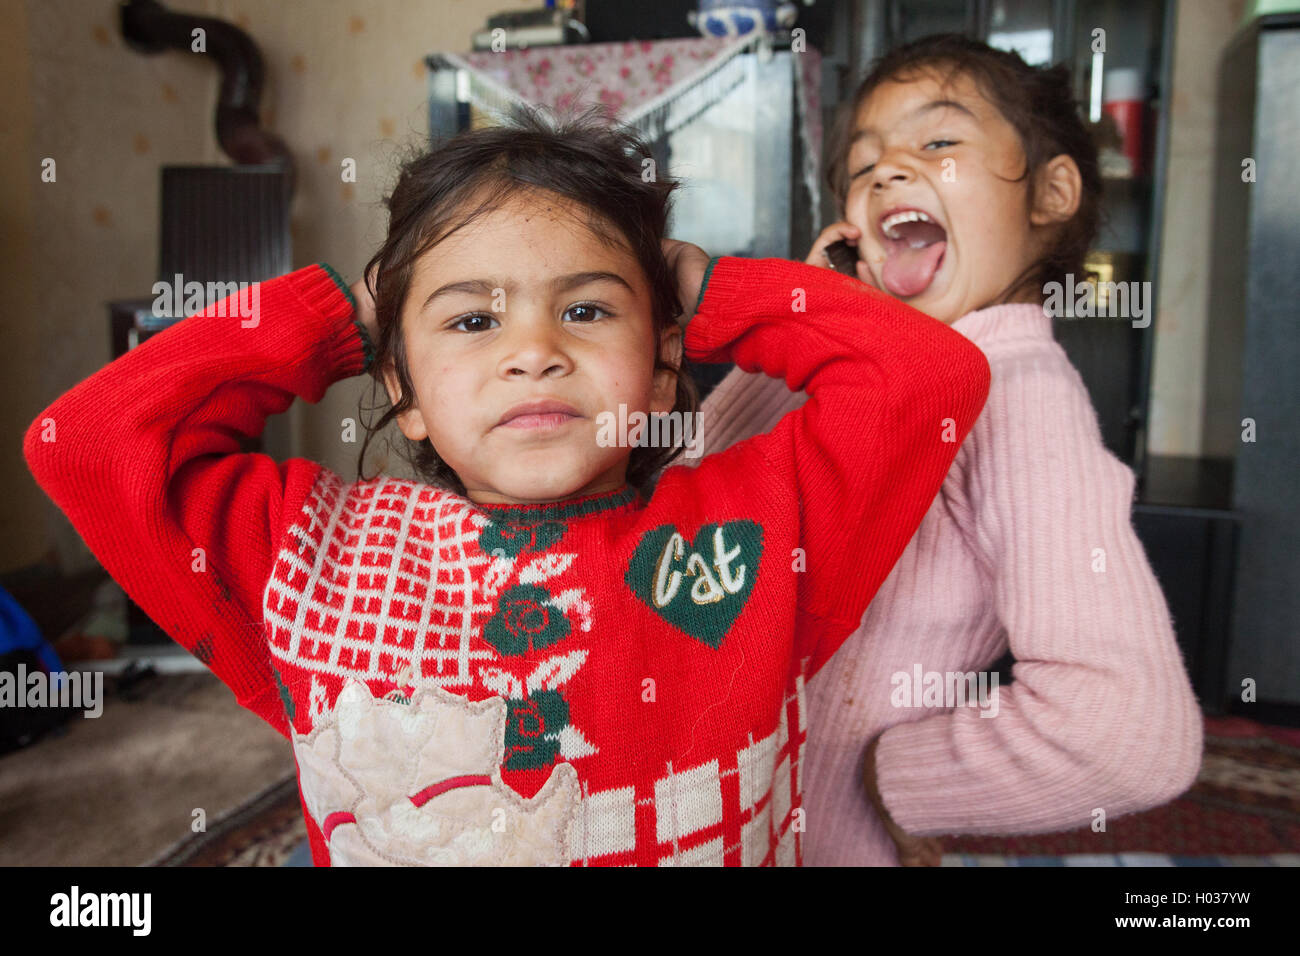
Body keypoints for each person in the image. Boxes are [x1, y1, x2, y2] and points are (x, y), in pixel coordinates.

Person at [23, 106, 988, 866]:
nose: (534, 352)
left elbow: (927, 381)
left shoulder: (763, 532)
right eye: (472, 321)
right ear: (399, 388)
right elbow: (86, 443)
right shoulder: (309, 561)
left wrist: (705, 288)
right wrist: (343, 316)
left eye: (585, 307)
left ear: (660, 369)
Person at [689, 34, 1202, 866]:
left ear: (1053, 191)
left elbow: (1127, 730)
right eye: (861, 165)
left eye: (938, 142)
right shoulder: (883, 368)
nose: (887, 170)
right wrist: (817, 331)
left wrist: (898, 779)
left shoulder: (1016, 393)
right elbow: (692, 498)